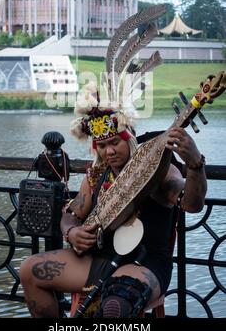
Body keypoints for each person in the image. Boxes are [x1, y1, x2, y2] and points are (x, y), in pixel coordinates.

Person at [19, 88, 207, 318]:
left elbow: (191, 204)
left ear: (130, 136)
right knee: (30, 270)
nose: (108, 151)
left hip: (144, 264)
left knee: (116, 304)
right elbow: (72, 213)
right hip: (98, 259)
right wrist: (71, 231)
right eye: (101, 145)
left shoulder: (159, 168)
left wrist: (196, 164)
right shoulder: (97, 174)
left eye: (115, 142)